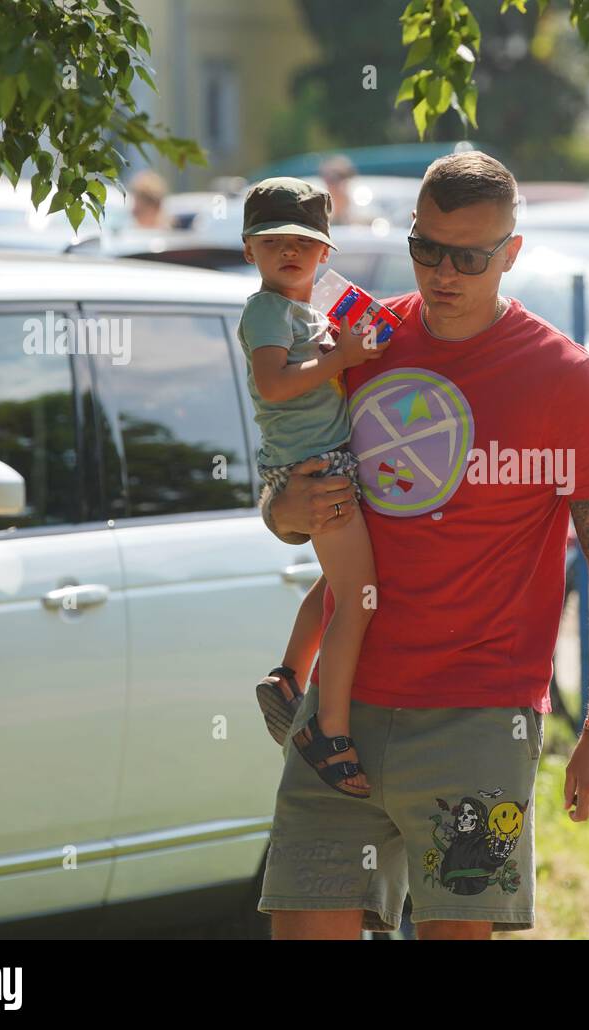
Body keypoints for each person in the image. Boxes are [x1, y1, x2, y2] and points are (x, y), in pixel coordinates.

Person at [255, 151, 589, 940]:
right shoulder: (363, 340)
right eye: (426, 248)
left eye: (469, 256)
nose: (444, 272)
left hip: (478, 724)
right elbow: (291, 502)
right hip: (340, 717)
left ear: (511, 253)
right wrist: (282, 506)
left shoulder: (562, 379)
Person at [239, 177, 387, 798]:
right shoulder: (267, 310)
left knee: (335, 585)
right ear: (250, 251)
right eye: (273, 242)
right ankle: (329, 730)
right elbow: (274, 384)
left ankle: (287, 677)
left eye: (304, 242)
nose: (289, 252)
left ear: (326, 253)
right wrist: (340, 358)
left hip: (323, 461)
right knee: (362, 598)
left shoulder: (311, 309)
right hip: (314, 469)